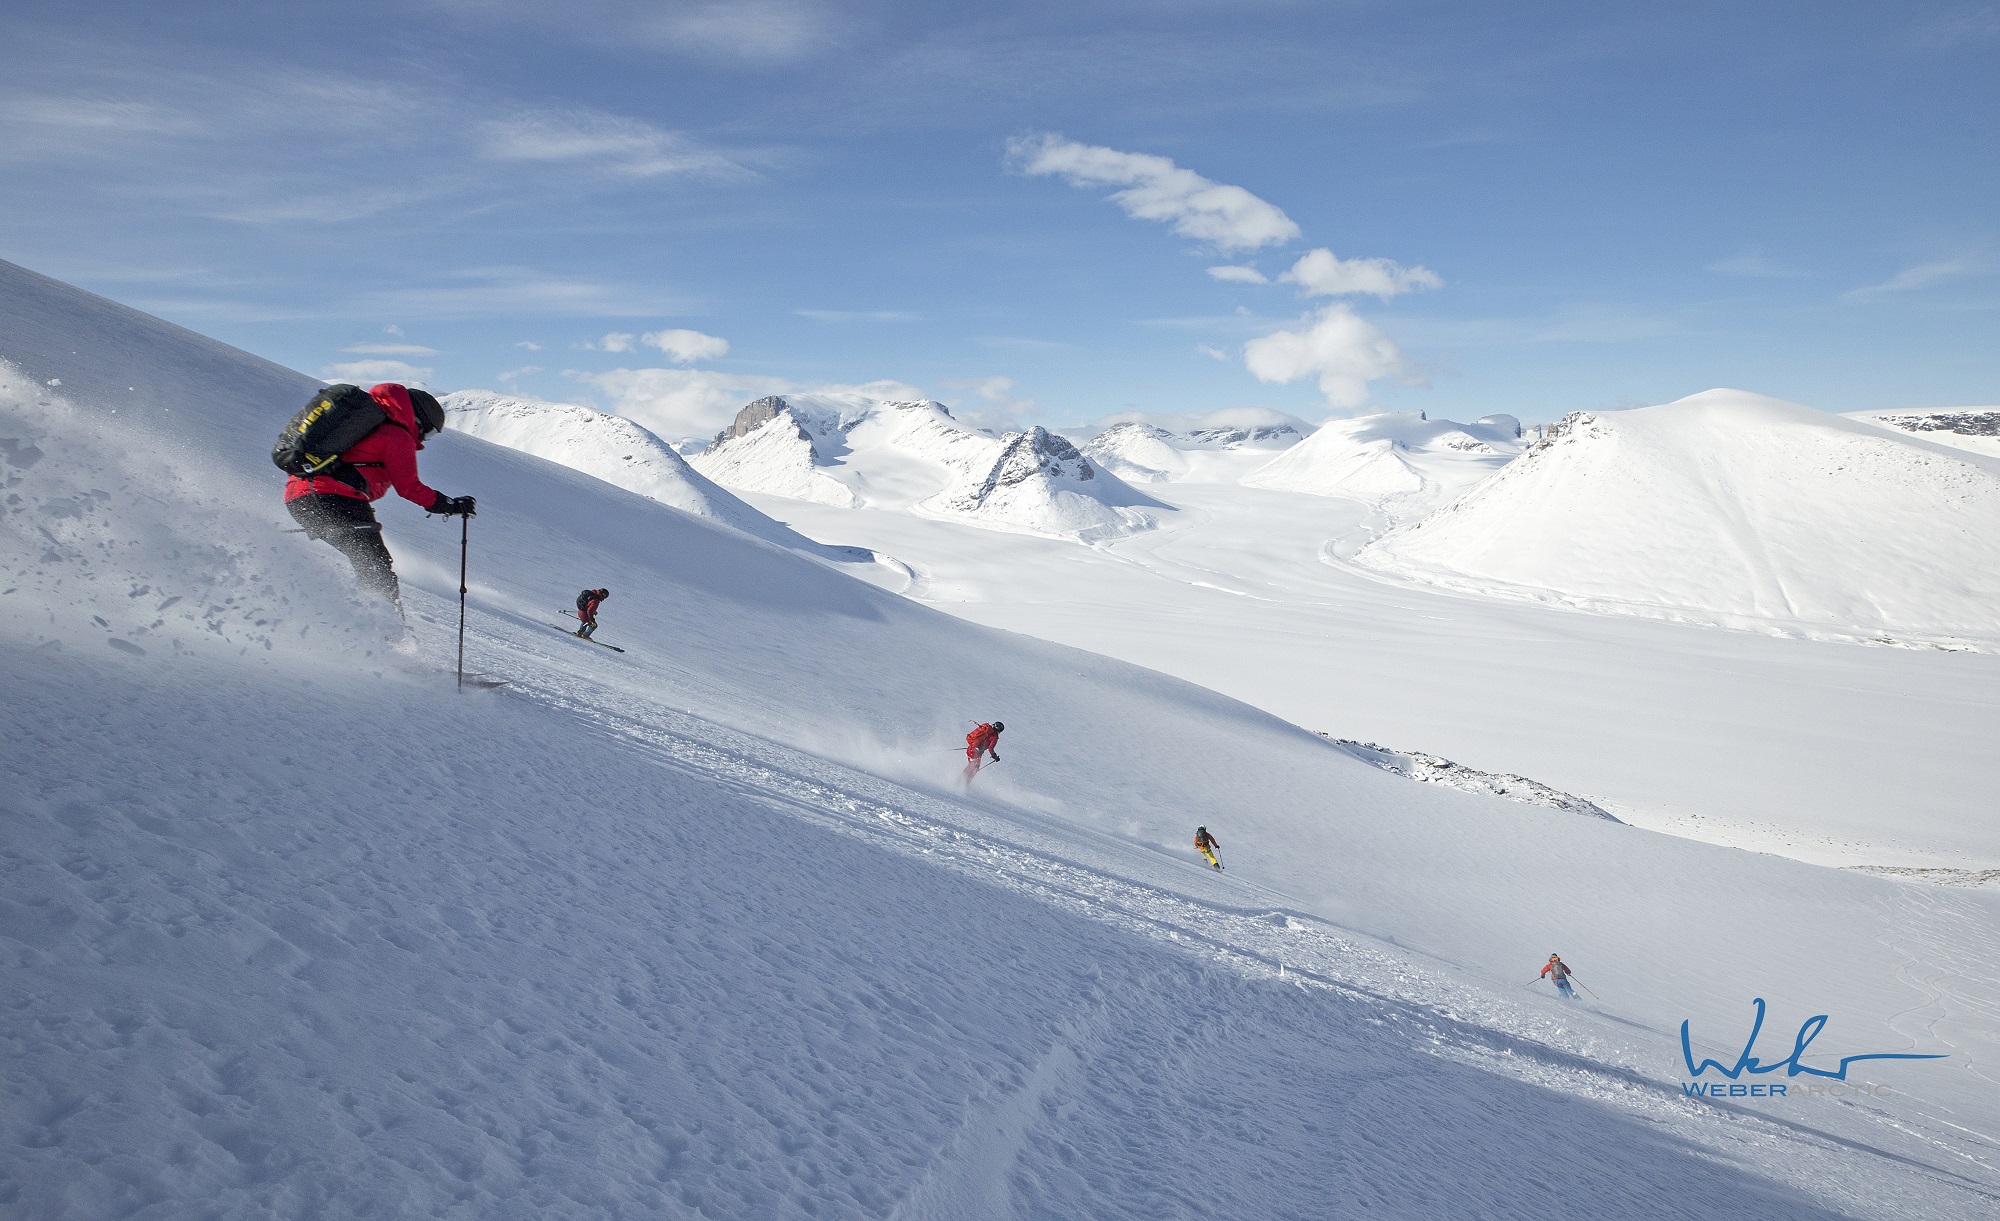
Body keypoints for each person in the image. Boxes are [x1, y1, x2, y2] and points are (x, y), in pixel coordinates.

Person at [284, 384, 474, 610]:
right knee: (376, 567)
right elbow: (408, 487)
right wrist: (449, 505)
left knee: (368, 563)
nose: (424, 439)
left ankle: (356, 621)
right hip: (336, 497)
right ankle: (382, 633)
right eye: (429, 432)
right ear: (419, 420)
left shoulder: (367, 426)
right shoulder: (396, 435)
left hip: (299, 497)